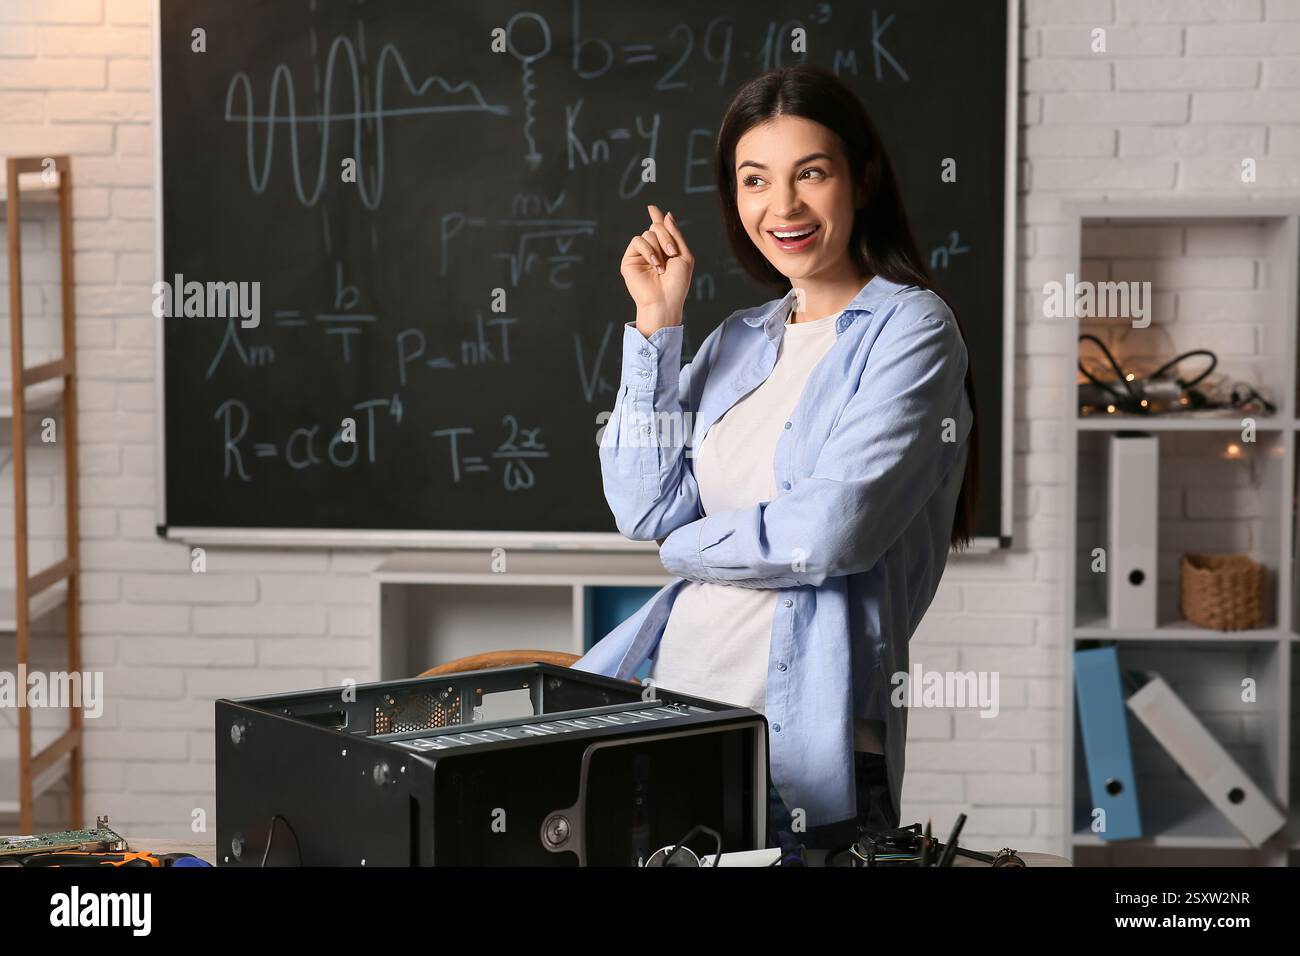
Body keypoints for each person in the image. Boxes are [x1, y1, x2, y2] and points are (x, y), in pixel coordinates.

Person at [573, 64, 979, 853]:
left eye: (811, 174)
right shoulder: (736, 339)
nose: (781, 207)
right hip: (677, 717)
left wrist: (686, 550)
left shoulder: (914, 331)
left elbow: (831, 533)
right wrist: (657, 326)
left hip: (800, 748)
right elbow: (642, 504)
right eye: (754, 180)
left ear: (860, 179)